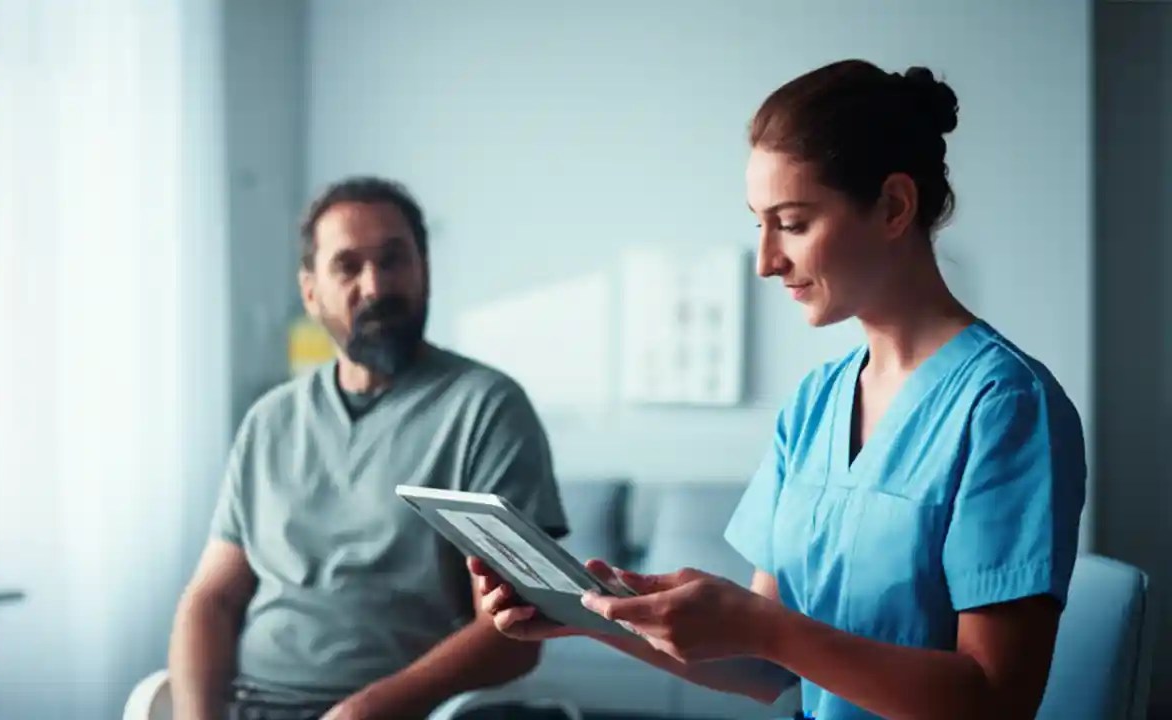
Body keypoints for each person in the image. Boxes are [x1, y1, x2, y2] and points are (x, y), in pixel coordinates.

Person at [472, 59, 1086, 720]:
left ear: (894, 207)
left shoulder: (1005, 406)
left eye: (792, 224)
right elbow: (766, 670)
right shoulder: (815, 404)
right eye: (758, 224)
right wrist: (591, 613)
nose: (766, 260)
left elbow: (997, 701)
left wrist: (763, 626)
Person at [170, 177, 569, 720]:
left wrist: (368, 709)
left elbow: (515, 630)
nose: (375, 286)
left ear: (424, 270)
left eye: (393, 260)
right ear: (311, 292)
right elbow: (211, 599)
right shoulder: (271, 420)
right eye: (348, 267)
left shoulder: (485, 408)